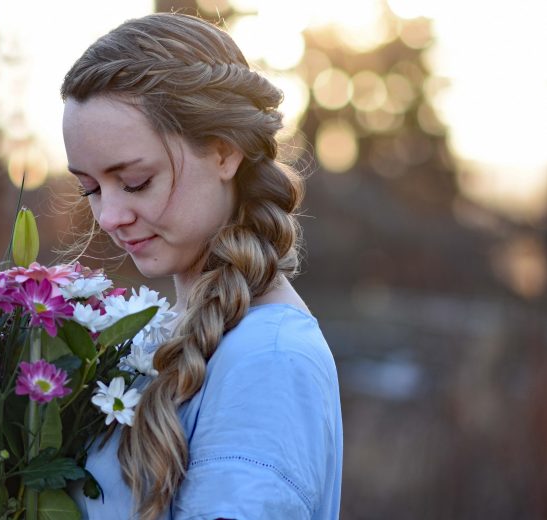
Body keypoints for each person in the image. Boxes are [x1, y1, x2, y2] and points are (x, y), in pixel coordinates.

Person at [60, 12, 342, 520]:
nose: (109, 217)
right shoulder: (163, 336)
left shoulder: (269, 361)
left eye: (136, 180)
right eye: (90, 189)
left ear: (224, 153)